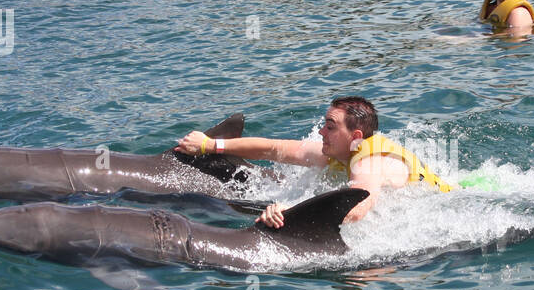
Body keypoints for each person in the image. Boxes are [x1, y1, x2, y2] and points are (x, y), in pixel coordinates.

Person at [177, 96, 452, 227]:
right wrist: (211, 145)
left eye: (330, 126)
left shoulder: (369, 163)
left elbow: (356, 208)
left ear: (355, 135)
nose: (321, 132)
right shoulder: (339, 150)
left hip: (445, 205)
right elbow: (274, 149)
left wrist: (291, 210)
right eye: (324, 124)